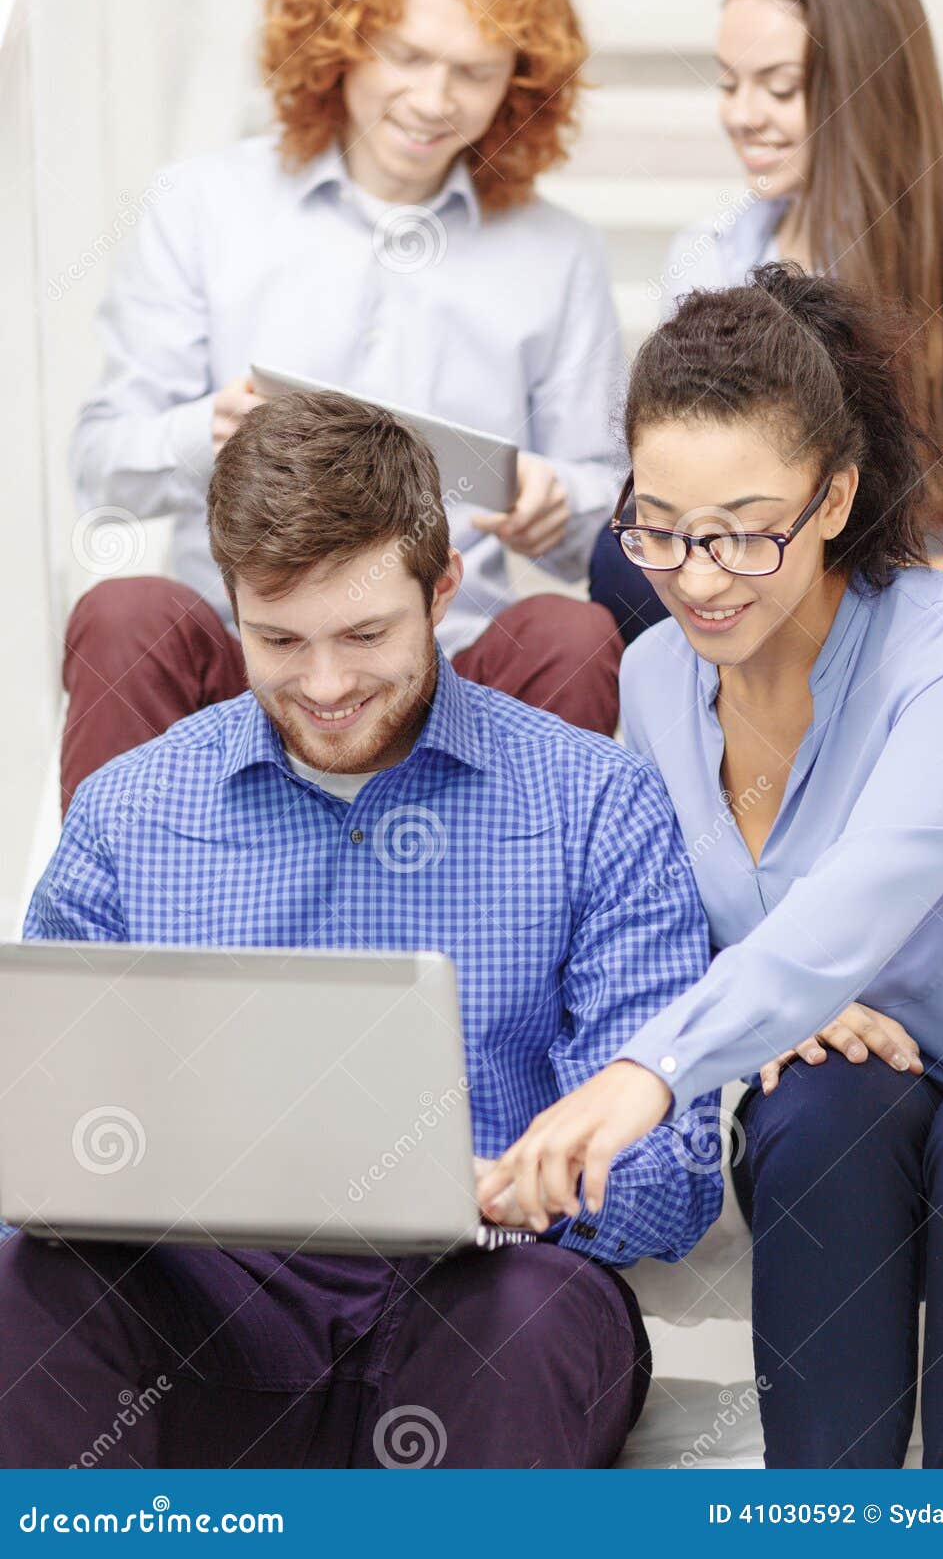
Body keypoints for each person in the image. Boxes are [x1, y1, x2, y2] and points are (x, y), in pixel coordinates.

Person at [0, 391, 722, 1470]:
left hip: (481, 1290)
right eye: (279, 639)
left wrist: (543, 1177)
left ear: (441, 592)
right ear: (232, 604)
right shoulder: (130, 811)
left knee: (523, 1323)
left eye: (365, 634)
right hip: (206, 1308)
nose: (326, 685)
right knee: (22, 1293)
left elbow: (676, 1164)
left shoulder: (594, 802)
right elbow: (38, 1114)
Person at [481, 267, 943, 1470]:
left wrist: (651, 1070)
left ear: (833, 498)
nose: (700, 573)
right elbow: (696, 922)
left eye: (745, 529)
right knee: (816, 1102)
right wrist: (782, 1007)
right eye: (659, 527)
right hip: (887, 1124)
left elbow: (868, 887)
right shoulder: (657, 679)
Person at [62, 0, 625, 811]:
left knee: (569, 633)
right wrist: (205, 429)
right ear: (344, 38)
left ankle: (521, 938)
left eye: (476, 72)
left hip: (444, 671)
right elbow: (99, 461)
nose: (435, 99)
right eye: (407, 55)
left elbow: (613, 516)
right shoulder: (204, 206)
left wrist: (556, 499)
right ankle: (101, 948)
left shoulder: (556, 254)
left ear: (516, 83)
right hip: (249, 650)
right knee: (126, 616)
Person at [591, 0, 943, 646]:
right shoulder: (707, 259)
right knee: (616, 564)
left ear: (869, 89)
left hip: (906, 651)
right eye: (730, 82)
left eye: (780, 87)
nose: (741, 115)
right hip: (748, 657)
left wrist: (842, 586)